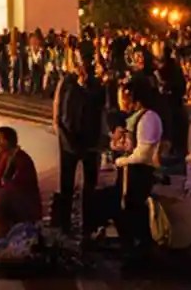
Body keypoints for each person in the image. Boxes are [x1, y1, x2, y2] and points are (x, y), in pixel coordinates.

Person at [110, 75, 164, 261]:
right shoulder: (133, 119)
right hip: (129, 172)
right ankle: (132, 249)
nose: (122, 102)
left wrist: (122, 161)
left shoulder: (149, 118)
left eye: (124, 97)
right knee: (126, 211)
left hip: (140, 173)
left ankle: (140, 251)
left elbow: (143, 154)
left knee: (135, 212)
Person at [52, 48, 106, 235]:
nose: (82, 66)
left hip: (90, 141)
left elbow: (101, 109)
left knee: (90, 187)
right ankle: (64, 225)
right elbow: (57, 110)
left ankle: (88, 226)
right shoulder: (66, 82)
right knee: (66, 184)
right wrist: (61, 133)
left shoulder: (97, 85)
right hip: (68, 139)